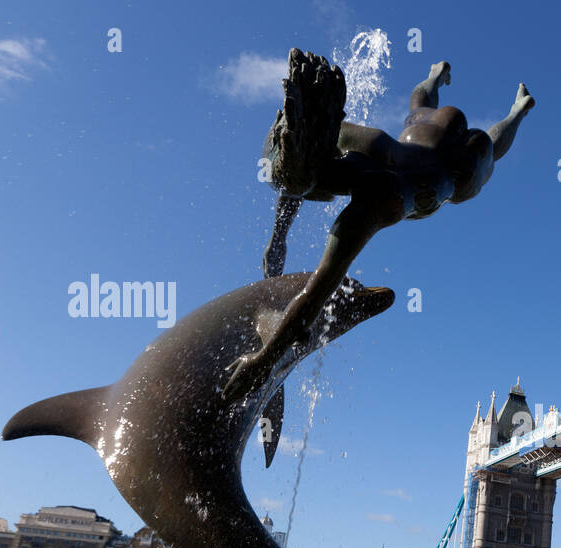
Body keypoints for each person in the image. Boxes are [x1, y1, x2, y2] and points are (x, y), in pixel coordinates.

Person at [225, 50, 534, 398]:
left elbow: (319, 288)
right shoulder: (348, 137)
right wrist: (277, 239)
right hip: (421, 136)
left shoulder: (380, 198)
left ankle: (517, 112)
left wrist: (264, 360)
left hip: (456, 169)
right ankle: (437, 74)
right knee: (418, 111)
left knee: (488, 147)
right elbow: (297, 171)